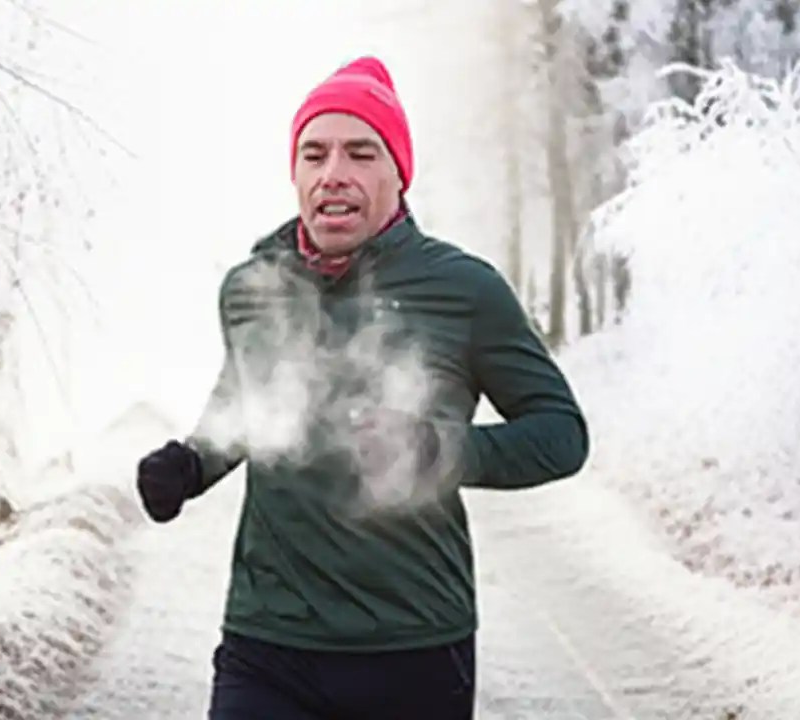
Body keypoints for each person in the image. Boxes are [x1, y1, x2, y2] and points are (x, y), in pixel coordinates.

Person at [135, 56, 589, 720]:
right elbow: (246, 409)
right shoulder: (250, 289)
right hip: (268, 642)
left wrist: (435, 451)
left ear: (397, 174)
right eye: (314, 154)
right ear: (294, 173)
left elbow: (561, 435)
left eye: (360, 153)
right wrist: (191, 462)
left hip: (413, 646)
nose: (333, 174)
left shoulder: (465, 290)